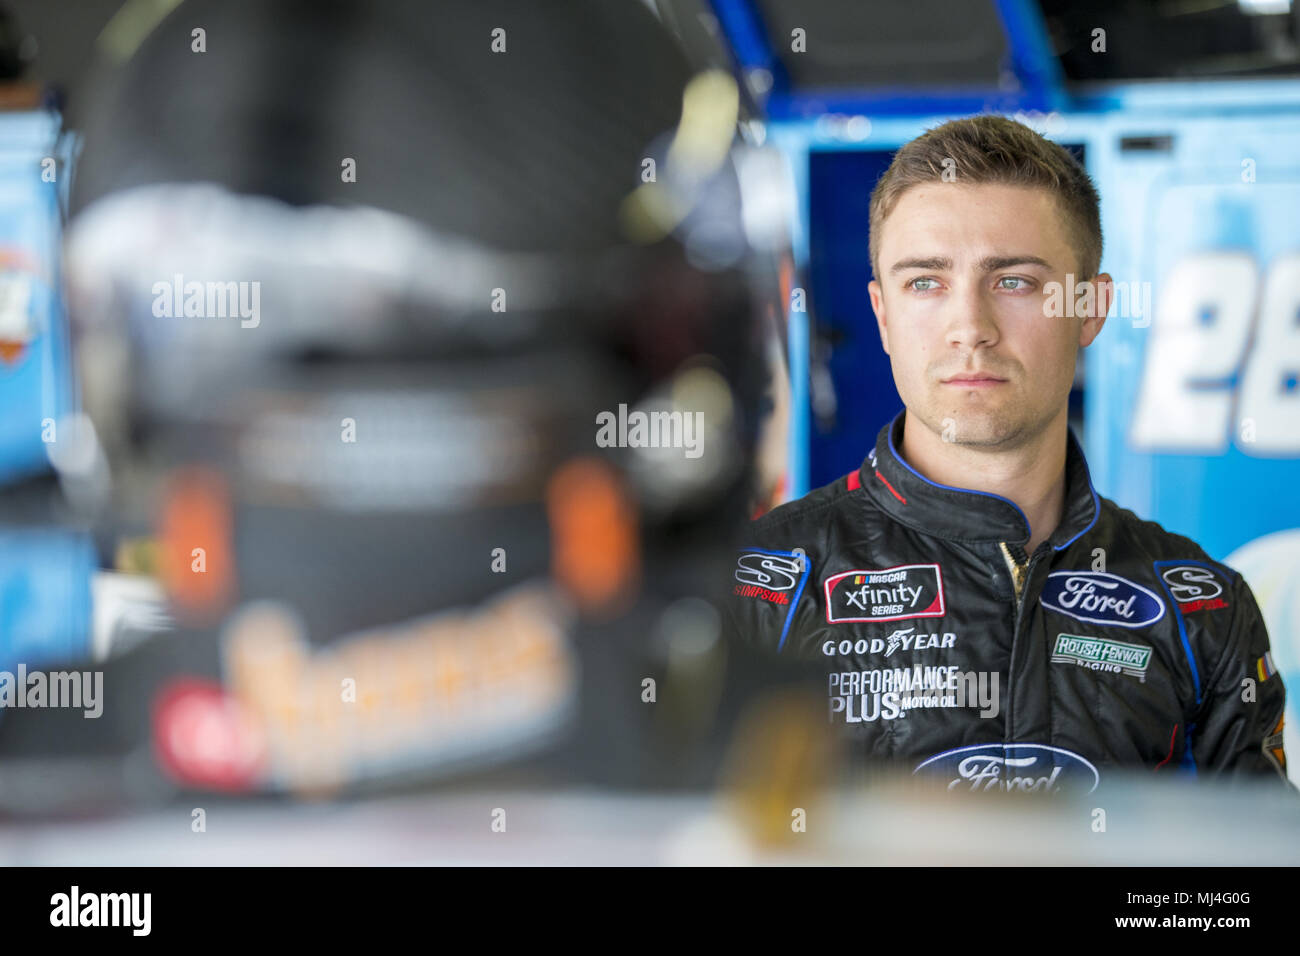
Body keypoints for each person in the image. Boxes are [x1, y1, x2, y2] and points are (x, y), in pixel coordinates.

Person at [729, 114, 1290, 792]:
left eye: (1015, 281)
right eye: (926, 283)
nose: (970, 327)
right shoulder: (764, 589)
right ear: (882, 315)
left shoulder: (1201, 607)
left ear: (1089, 306)